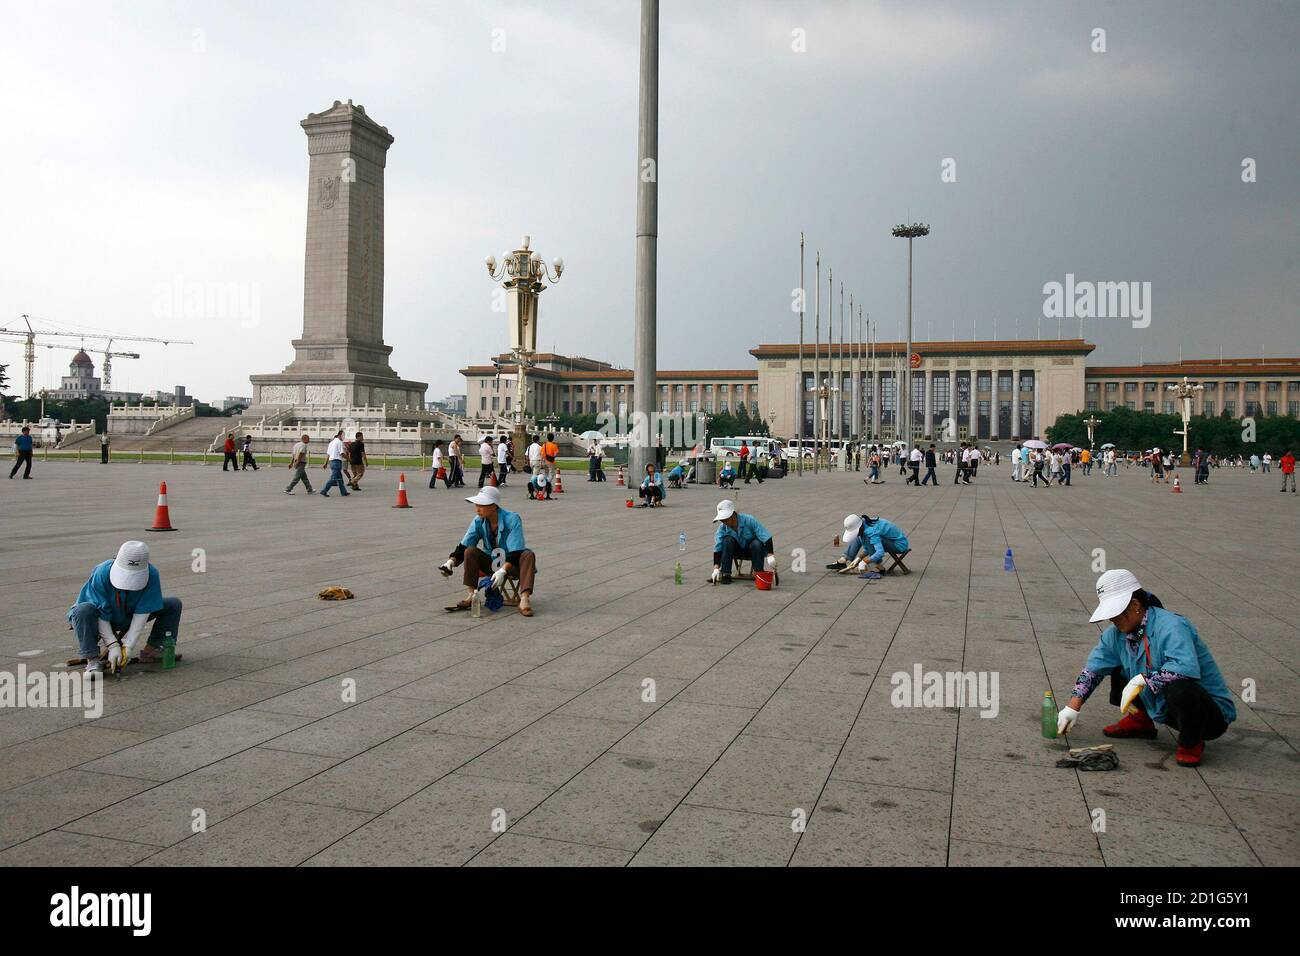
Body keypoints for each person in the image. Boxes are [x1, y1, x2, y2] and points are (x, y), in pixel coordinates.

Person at [1056, 570, 1236, 768]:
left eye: (1116, 613)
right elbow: (1093, 670)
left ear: (1135, 605)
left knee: (1179, 688)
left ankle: (1191, 743)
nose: (1112, 619)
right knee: (1115, 665)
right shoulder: (1115, 634)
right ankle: (1140, 720)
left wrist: (1143, 679)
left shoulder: (1171, 626)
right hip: (1160, 704)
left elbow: (1186, 667)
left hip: (1207, 715)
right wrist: (1072, 708)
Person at [67, 540, 182, 675]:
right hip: (97, 617)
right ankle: (92, 660)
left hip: (128, 614)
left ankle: (152, 651)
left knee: (173, 604)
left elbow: (143, 612)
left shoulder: (152, 574)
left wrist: (128, 646)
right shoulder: (102, 571)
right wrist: (113, 645)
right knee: (83, 610)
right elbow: (100, 611)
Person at [438, 485, 536, 617]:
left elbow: (516, 552)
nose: (477, 509)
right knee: (470, 551)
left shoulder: (512, 519)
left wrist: (503, 570)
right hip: (491, 562)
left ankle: (524, 599)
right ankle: (472, 596)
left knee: (528, 554)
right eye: (476, 505)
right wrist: (451, 561)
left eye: (482, 505)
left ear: (493, 506)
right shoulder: (478, 521)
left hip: (512, 565)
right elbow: (465, 544)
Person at [710, 499, 774, 584]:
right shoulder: (722, 528)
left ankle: (759, 573)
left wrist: (770, 555)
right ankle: (725, 574)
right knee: (727, 540)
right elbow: (718, 548)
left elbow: (765, 536)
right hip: (735, 551)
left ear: (733, 515)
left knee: (757, 543)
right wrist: (716, 568)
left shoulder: (749, 520)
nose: (724, 522)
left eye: (725, 519)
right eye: (722, 520)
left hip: (754, 550)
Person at [826, 513, 910, 574]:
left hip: (899, 545)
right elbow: (868, 547)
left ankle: (877, 566)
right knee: (859, 537)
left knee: (865, 536)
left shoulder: (870, 531)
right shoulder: (864, 524)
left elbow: (879, 552)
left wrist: (864, 561)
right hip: (888, 541)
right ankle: (844, 560)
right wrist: (858, 559)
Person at [320, 430, 350, 497]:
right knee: (333, 478)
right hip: (337, 461)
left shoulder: (331, 442)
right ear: (340, 435)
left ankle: (343, 492)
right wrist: (349, 459)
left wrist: (325, 463)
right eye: (343, 436)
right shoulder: (339, 442)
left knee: (339, 478)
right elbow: (342, 453)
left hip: (331, 462)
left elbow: (328, 454)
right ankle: (324, 490)